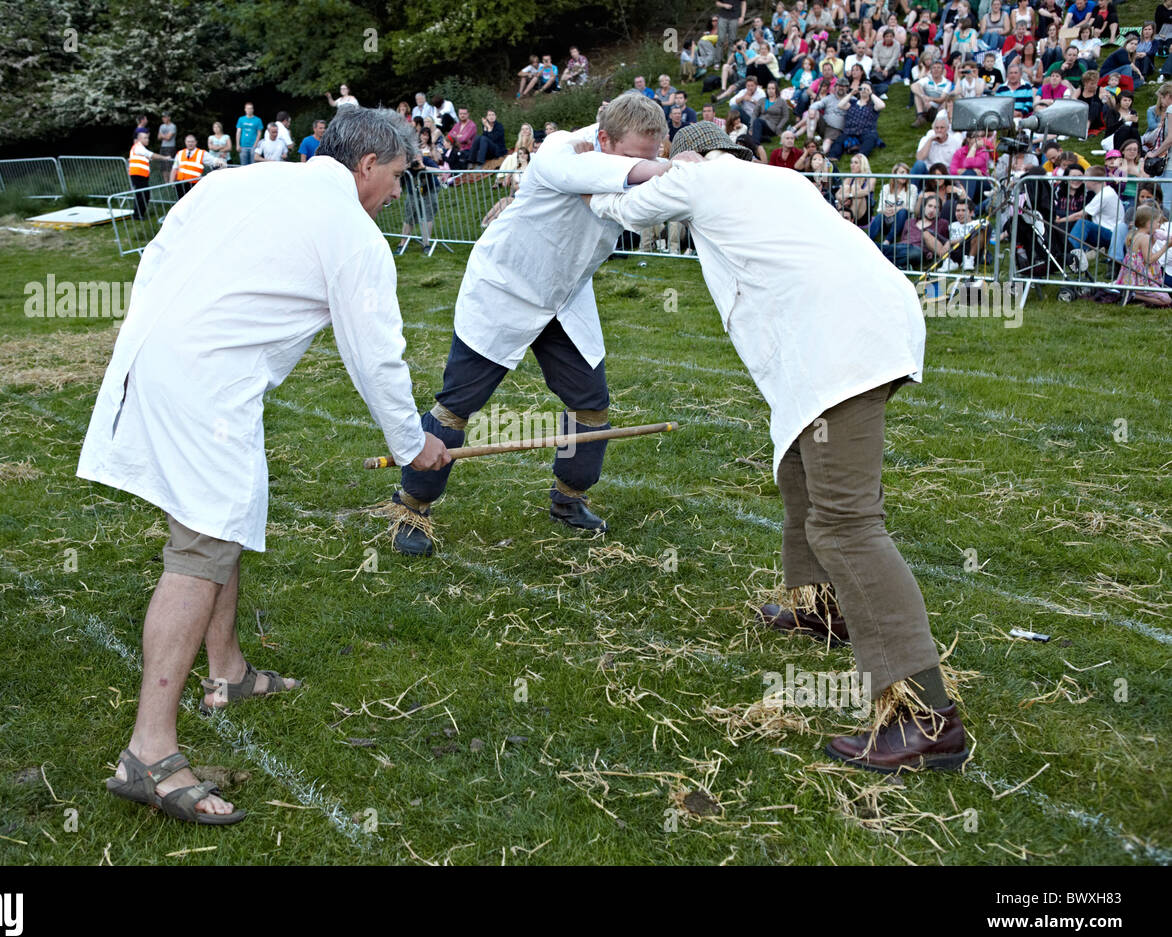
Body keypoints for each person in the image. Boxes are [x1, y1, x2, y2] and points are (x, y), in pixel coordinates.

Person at [80, 108, 453, 826]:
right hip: (207, 384)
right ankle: (148, 753)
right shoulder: (353, 233)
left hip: (158, 355)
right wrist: (413, 444)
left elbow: (158, 253)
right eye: (397, 178)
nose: (395, 195)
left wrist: (157, 337)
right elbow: (375, 355)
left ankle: (228, 671)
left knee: (222, 514)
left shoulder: (236, 181)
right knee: (200, 547)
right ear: (368, 164)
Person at [590, 123, 968, 773]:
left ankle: (925, 715)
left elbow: (623, 209)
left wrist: (587, 171)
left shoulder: (701, 176)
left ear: (689, 155)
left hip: (840, 345)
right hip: (866, 326)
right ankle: (825, 610)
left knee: (846, 522)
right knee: (799, 466)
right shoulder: (775, 177)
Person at [382, 94, 675, 556]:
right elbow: (604, 179)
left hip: (565, 298)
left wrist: (690, 163)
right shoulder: (560, 149)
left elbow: (644, 197)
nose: (646, 165)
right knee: (456, 408)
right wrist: (679, 171)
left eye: (652, 155)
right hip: (505, 291)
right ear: (604, 139)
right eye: (636, 157)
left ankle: (568, 499)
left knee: (591, 405)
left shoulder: (622, 155)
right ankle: (410, 507)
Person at [398, 126, 443, 257]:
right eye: (415, 156)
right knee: (409, 217)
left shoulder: (426, 160)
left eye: (419, 155)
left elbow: (440, 171)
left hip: (430, 191)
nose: (417, 159)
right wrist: (407, 166)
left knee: (428, 216)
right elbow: (397, 172)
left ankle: (426, 244)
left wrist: (424, 167)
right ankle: (402, 244)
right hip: (413, 192)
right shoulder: (407, 163)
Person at [1116, 204, 1171, 304]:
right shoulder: (1144, 238)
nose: (1159, 225)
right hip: (1141, 281)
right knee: (1167, 300)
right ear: (1149, 223)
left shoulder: (1136, 234)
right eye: (1157, 222)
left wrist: (1154, 239)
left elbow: (1143, 252)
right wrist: (1165, 247)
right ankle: (1134, 295)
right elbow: (1149, 259)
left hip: (1133, 279)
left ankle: (1133, 295)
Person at [172, 133, 226, 198]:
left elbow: (213, 160)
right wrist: (171, 182)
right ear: (185, 142)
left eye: (192, 142)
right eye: (188, 142)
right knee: (181, 204)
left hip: (194, 184)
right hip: (180, 183)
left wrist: (221, 161)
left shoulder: (201, 153)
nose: (190, 143)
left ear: (195, 142)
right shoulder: (180, 153)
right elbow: (174, 169)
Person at [128, 129, 156, 219]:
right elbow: (150, 155)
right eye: (145, 138)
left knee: (142, 194)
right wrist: (165, 158)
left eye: (147, 138)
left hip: (142, 175)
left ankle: (138, 214)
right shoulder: (138, 147)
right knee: (142, 195)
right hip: (138, 174)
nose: (147, 139)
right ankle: (137, 214)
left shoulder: (141, 148)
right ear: (139, 139)